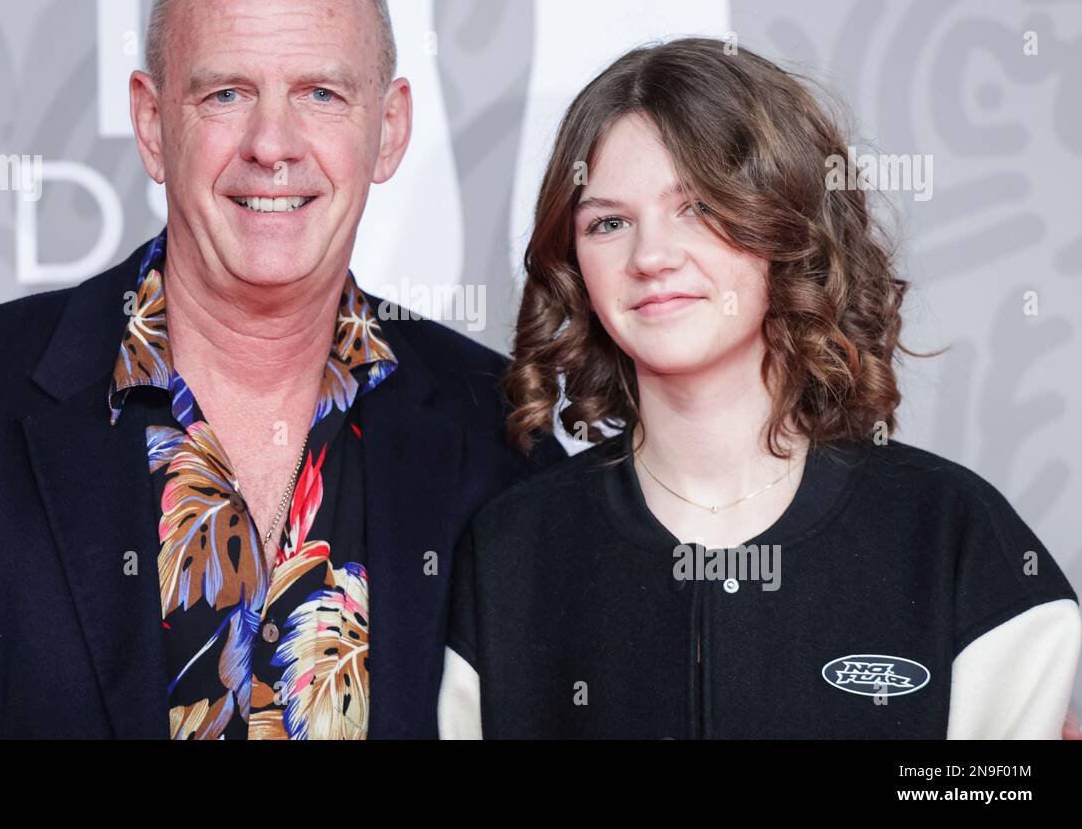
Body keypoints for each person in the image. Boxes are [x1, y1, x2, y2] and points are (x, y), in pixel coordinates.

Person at [0, 0, 562, 741]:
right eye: (225, 93)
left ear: (389, 129)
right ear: (154, 126)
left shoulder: (499, 434)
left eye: (322, 95)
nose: (273, 144)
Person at [437, 37, 1082, 739]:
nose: (651, 256)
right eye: (609, 222)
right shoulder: (511, 553)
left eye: (698, 207)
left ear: (790, 226)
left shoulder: (956, 539)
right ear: (573, 265)